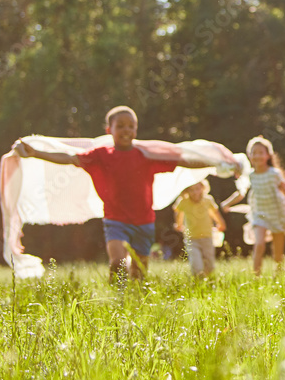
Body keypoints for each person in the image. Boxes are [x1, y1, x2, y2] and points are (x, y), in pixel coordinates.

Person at [12, 105, 216, 282]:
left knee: (139, 270)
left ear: (136, 129)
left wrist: (216, 162)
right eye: (121, 126)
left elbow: (182, 161)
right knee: (117, 262)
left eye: (131, 126)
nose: (126, 130)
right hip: (115, 220)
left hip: (144, 221)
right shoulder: (100, 156)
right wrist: (36, 153)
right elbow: (69, 157)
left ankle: (135, 300)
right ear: (110, 130)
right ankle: (117, 295)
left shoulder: (146, 156)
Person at [221, 136, 285, 276]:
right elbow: (241, 193)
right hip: (259, 214)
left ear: (268, 155)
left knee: (278, 253)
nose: (257, 155)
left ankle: (278, 276)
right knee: (259, 244)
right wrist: (227, 203)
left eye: (260, 152)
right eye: (253, 152)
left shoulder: (274, 174)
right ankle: (256, 277)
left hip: (277, 214)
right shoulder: (250, 175)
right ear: (249, 156)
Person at [173, 180, 226, 277]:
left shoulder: (208, 200)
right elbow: (179, 213)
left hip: (207, 236)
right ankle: (198, 282)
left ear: (203, 188)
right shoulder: (183, 202)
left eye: (197, 189)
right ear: (187, 191)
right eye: (191, 190)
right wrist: (179, 224)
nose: (195, 192)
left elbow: (214, 213)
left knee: (209, 264)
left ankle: (208, 282)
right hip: (191, 238)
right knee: (196, 264)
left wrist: (221, 223)